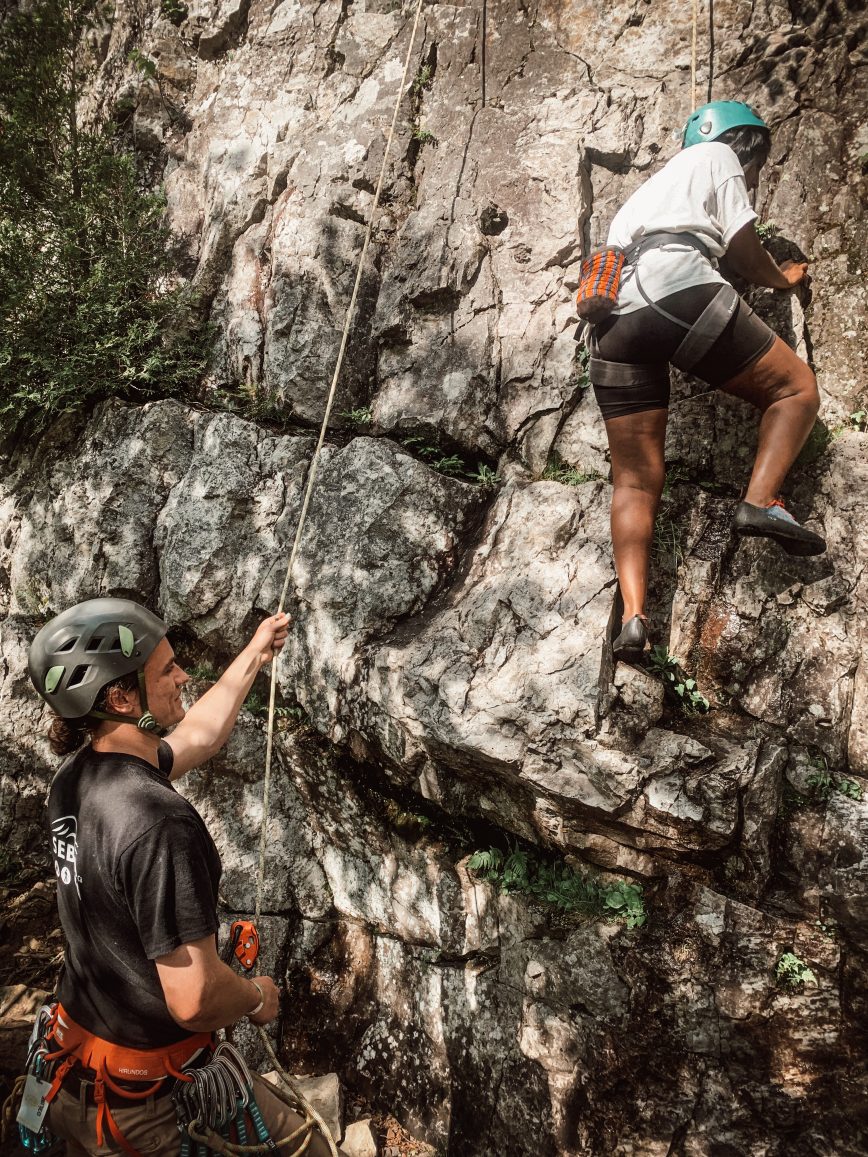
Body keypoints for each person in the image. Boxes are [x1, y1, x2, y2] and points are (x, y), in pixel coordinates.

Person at [25, 596, 335, 1157]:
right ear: (121, 696)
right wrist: (254, 995)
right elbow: (193, 1000)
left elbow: (199, 735)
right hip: (142, 1105)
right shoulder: (157, 823)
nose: (184, 675)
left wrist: (255, 655)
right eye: (167, 668)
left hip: (70, 1071)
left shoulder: (77, 779)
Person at [586, 101, 826, 660]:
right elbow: (743, 247)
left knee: (634, 481)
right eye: (758, 165)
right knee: (796, 390)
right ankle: (761, 501)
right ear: (741, 143)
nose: (755, 177)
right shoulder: (716, 154)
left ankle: (635, 617)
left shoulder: (640, 199)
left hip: (614, 322)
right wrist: (781, 277)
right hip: (676, 285)